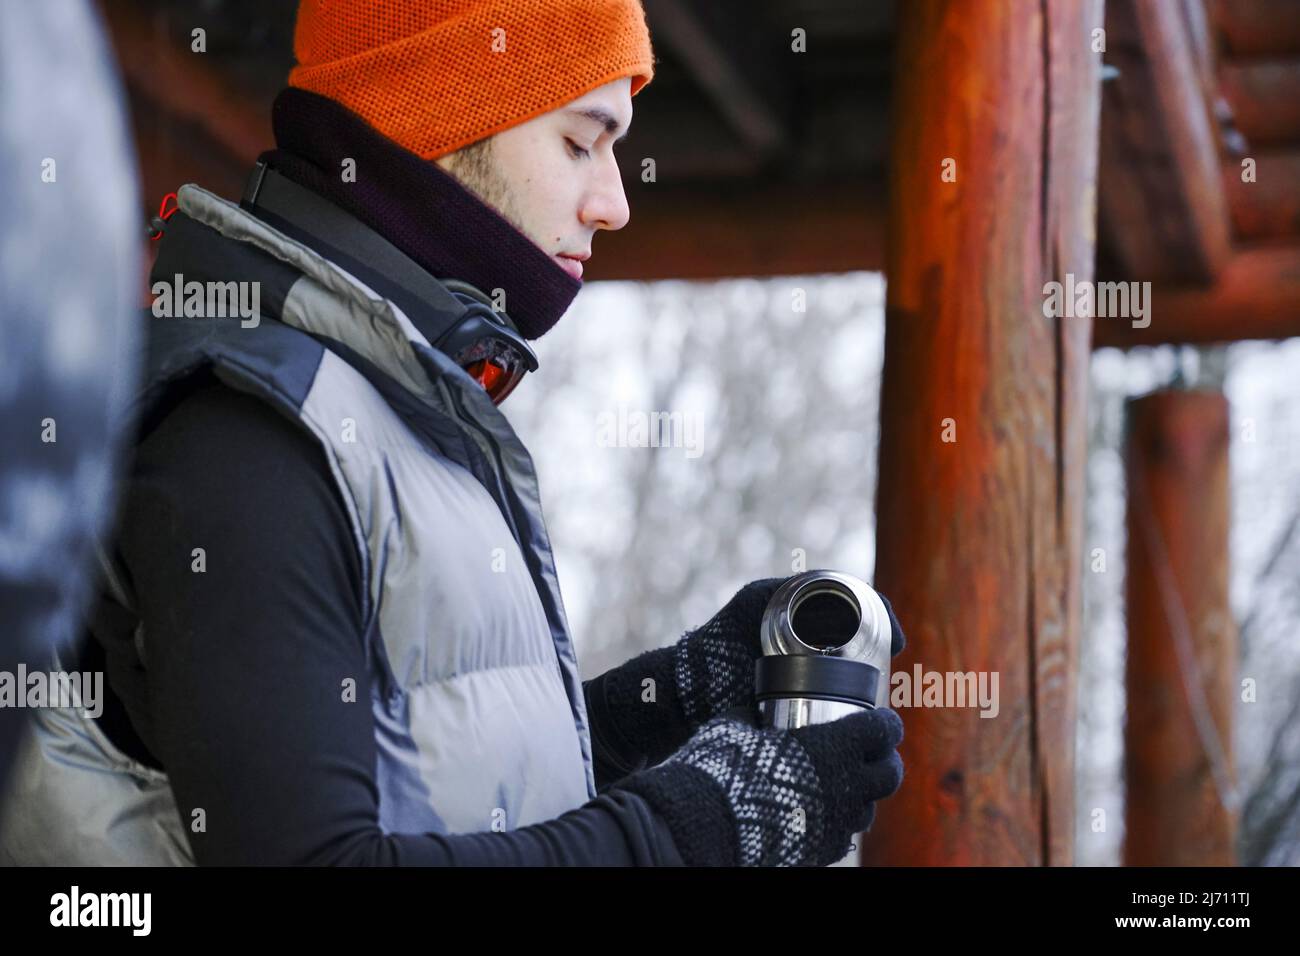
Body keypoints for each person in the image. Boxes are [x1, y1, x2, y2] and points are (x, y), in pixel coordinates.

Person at [0, 0, 905, 867]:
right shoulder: (251, 428)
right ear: (436, 115)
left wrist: (660, 699)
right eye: (581, 141)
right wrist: (696, 832)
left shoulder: (394, 400)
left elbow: (427, 777)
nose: (614, 203)